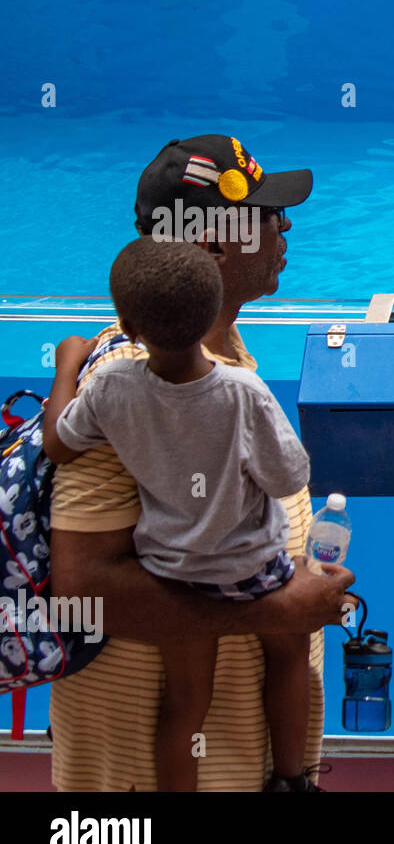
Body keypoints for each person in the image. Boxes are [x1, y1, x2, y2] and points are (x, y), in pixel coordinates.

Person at [47, 134, 356, 792]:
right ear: (214, 244)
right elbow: (80, 594)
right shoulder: (128, 384)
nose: (285, 224)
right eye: (268, 213)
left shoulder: (220, 361)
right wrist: (274, 611)